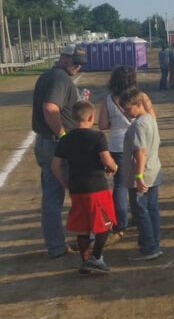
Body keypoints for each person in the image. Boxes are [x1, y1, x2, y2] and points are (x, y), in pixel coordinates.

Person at [32, 44, 88, 258]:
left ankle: (56, 244)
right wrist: (64, 136)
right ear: (63, 57)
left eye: (81, 63)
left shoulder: (50, 74)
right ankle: (58, 245)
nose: (78, 66)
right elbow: (50, 108)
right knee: (63, 194)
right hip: (56, 144)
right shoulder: (59, 78)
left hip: (48, 142)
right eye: (74, 61)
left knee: (53, 194)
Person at [52, 101, 119, 274]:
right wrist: (114, 167)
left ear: (73, 118)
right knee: (105, 224)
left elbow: (55, 166)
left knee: (82, 227)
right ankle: (96, 258)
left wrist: (66, 183)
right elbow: (106, 159)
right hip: (96, 187)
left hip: (76, 188)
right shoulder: (97, 137)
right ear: (91, 117)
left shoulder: (65, 139)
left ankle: (85, 261)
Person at [97, 65, 156, 241]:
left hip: (117, 145)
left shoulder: (108, 100)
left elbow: (102, 125)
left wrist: (116, 124)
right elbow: (152, 118)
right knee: (141, 182)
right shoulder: (141, 97)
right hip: (139, 144)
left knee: (121, 185)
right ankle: (141, 217)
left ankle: (120, 224)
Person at [121, 87, 164, 260]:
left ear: (138, 105)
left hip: (142, 173)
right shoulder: (150, 119)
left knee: (140, 211)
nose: (126, 112)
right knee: (152, 209)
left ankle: (149, 247)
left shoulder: (138, 125)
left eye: (128, 108)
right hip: (153, 170)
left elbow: (140, 151)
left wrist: (138, 177)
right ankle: (154, 242)